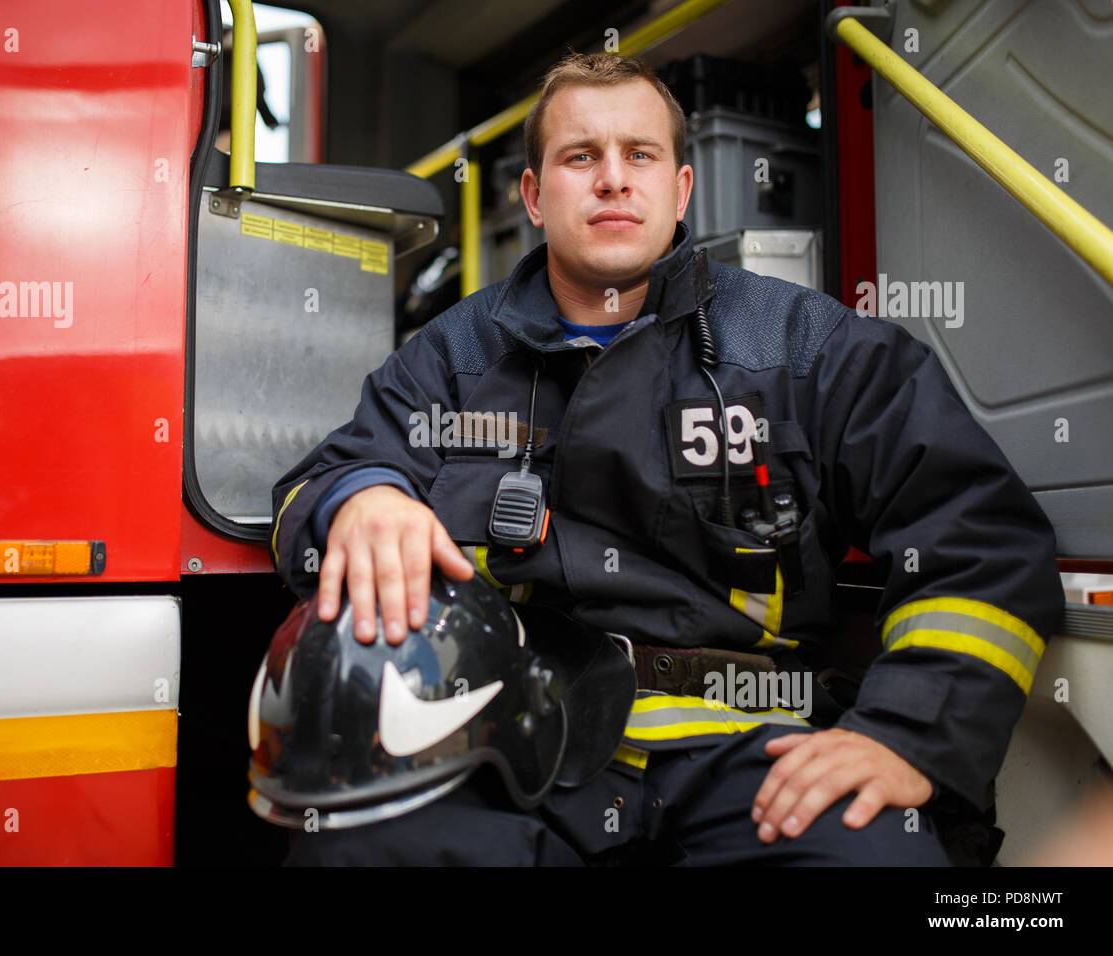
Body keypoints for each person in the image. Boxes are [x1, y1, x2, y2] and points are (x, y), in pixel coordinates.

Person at [267, 52, 1064, 865]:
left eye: (639, 155)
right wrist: (362, 497)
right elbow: (318, 485)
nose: (613, 179)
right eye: (581, 156)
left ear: (681, 190)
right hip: (511, 742)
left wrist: (906, 733)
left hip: (753, 751)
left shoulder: (808, 349)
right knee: (352, 849)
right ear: (534, 197)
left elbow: (979, 539)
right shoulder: (452, 357)